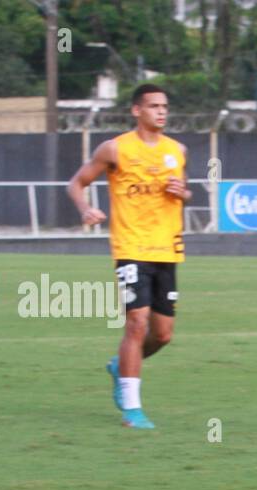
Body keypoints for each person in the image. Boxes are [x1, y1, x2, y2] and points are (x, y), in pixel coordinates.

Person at [66, 84, 190, 429]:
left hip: (168, 249)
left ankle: (120, 366)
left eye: (165, 106)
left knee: (162, 334)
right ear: (137, 110)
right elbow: (76, 183)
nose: (161, 112)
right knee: (136, 323)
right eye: (153, 106)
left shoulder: (177, 151)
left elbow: (186, 193)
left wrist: (186, 192)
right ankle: (132, 410)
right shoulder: (115, 149)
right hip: (130, 248)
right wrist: (85, 208)